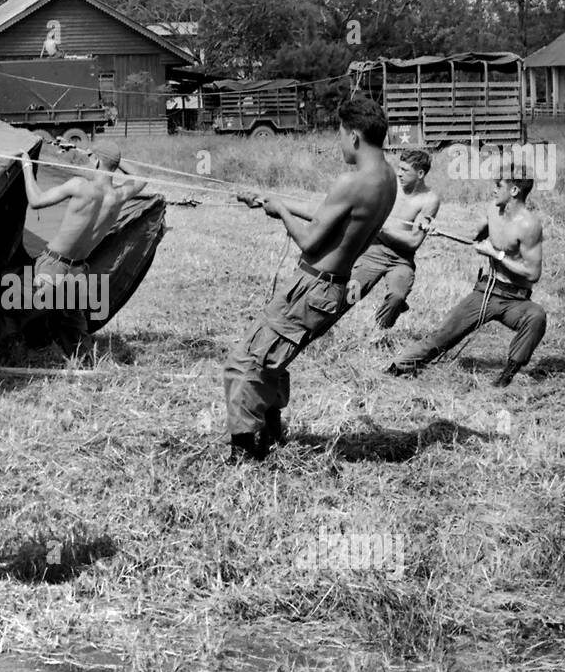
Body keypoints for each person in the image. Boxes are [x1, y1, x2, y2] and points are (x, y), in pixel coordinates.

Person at [225, 97, 396, 465]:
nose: (338, 143)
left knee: (245, 362)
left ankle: (244, 453)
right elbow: (329, 218)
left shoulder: (352, 181)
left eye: (339, 135)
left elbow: (309, 240)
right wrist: (274, 203)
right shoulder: (387, 177)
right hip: (331, 287)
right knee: (271, 359)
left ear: (353, 136)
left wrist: (283, 211)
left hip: (312, 286)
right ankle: (269, 434)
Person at [386, 165, 545, 387]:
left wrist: (496, 254)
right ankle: (397, 367)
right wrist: (434, 227)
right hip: (487, 290)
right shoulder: (493, 210)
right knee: (443, 334)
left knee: (536, 316)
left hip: (515, 299)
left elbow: (533, 273)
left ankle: (507, 375)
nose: (493, 190)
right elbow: (471, 235)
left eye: (499, 186)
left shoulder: (529, 225)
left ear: (515, 191)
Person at [20, 140, 147, 358]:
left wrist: (26, 166)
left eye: (91, 158)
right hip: (77, 271)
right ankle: (77, 364)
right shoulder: (118, 196)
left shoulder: (79, 185)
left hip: (52, 264)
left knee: (20, 308)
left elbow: (36, 200)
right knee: (74, 332)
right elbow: (142, 177)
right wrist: (114, 161)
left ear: (96, 161)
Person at [346, 149, 441, 343]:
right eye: (399, 168)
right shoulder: (389, 185)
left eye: (405, 170)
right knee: (351, 294)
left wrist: (382, 227)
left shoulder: (429, 199)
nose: (399, 173)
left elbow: (413, 242)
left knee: (397, 296)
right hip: (373, 251)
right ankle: (332, 323)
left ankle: (378, 334)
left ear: (420, 174)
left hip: (401, 259)